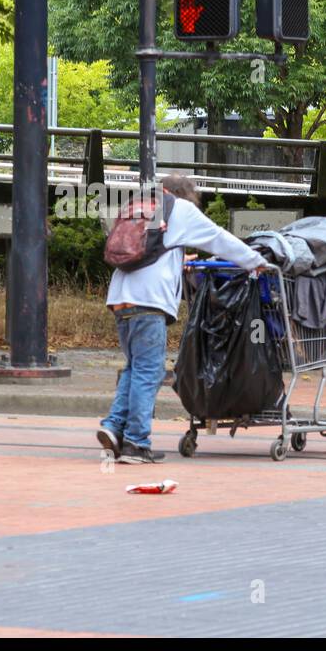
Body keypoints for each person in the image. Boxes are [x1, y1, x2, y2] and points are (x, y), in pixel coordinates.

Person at [98, 174, 265, 463]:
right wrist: (255, 261)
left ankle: (114, 427)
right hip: (148, 301)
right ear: (184, 195)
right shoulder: (181, 210)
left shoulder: (140, 205)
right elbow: (218, 238)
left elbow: (150, 249)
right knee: (149, 372)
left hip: (121, 299)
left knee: (135, 368)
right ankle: (136, 443)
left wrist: (179, 259)